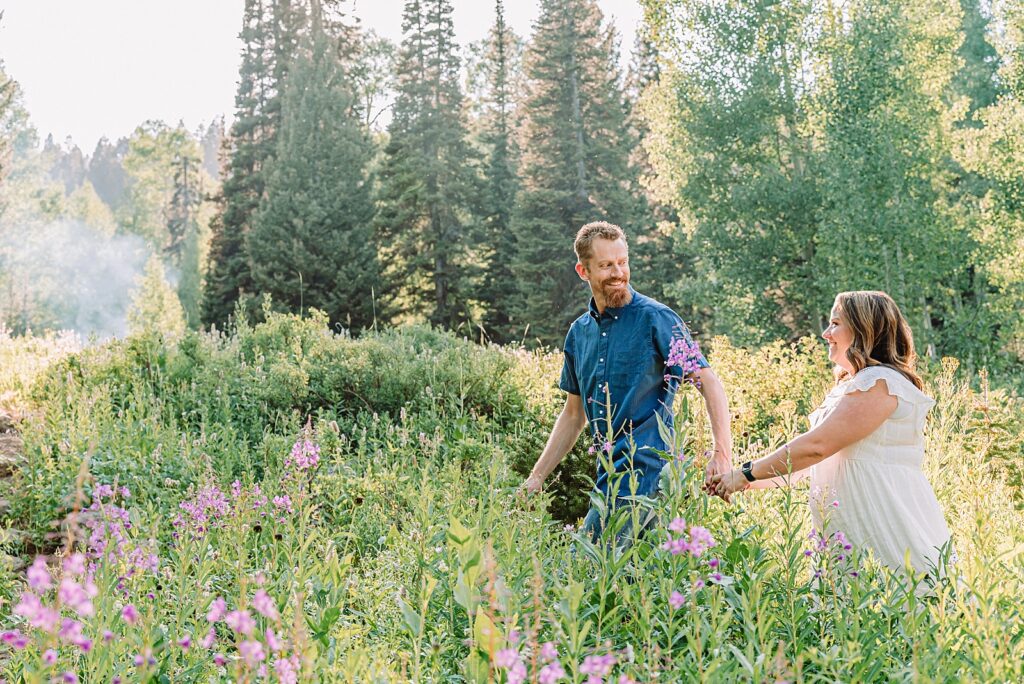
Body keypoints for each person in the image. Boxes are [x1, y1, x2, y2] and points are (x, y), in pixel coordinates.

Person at [711, 291, 954, 576]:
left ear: (865, 329)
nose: (826, 333)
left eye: (835, 323)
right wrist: (741, 481)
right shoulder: (854, 385)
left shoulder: (880, 383)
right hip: (849, 529)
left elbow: (817, 446)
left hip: (884, 517)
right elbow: (806, 466)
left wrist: (746, 472)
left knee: (897, 604)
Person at [523, 221, 733, 543]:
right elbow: (573, 416)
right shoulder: (579, 335)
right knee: (633, 583)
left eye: (623, 262)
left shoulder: (656, 318)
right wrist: (536, 478)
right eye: (606, 265)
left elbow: (708, 382)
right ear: (584, 271)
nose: (618, 272)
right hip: (607, 475)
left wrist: (722, 453)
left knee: (588, 570)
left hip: (649, 475)